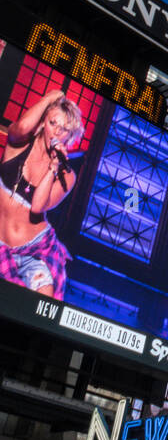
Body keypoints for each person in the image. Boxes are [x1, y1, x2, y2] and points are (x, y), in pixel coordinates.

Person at [0, 89, 82, 300]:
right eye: (53, 123)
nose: (56, 133)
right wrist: (52, 97)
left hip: (35, 249)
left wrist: (53, 167)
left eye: (64, 129)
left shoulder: (66, 175)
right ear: (43, 121)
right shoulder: (19, 144)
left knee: (45, 303)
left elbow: (37, 207)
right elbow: (24, 126)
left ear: (70, 136)